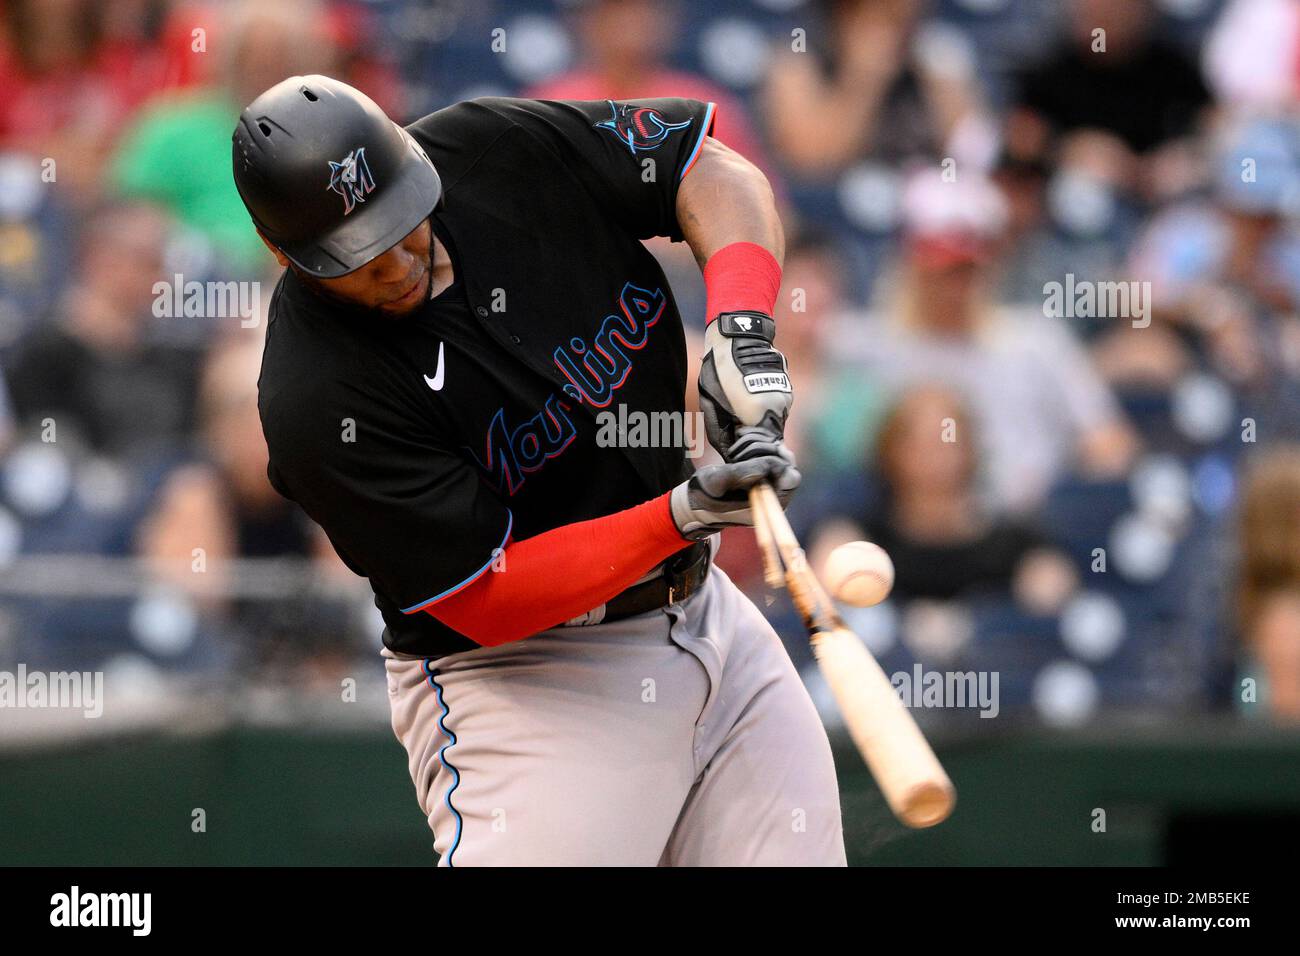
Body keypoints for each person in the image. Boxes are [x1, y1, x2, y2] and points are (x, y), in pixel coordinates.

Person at [234, 75, 843, 865]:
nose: (393, 261)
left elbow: (709, 170)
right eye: (357, 256)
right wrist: (681, 515)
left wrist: (743, 327)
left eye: (400, 223)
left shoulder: (493, 146)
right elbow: (486, 597)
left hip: (707, 616)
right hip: (528, 681)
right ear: (282, 252)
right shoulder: (315, 397)